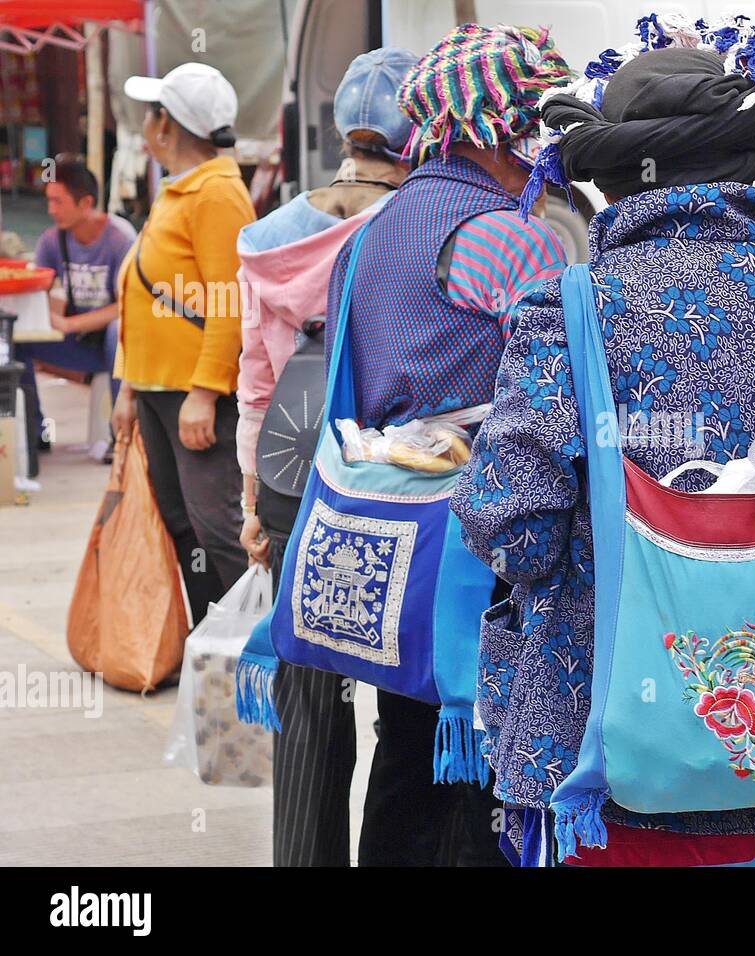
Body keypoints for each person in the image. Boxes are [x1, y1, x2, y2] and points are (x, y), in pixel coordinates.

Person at [452, 15, 755, 867]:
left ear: (612, 182)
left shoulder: (563, 322)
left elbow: (515, 530)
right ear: (747, 164)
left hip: (609, 775)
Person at [323, 24, 570, 866]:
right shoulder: (510, 238)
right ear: (503, 128)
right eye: (538, 125)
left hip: (385, 538)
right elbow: (557, 394)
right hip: (478, 548)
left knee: (403, 745)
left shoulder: (366, 237)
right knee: (483, 767)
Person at [235, 47, 416, 868]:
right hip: (386, 485)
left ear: (345, 128)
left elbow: (253, 379)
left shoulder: (268, 235)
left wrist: (249, 502)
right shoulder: (412, 227)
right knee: (406, 700)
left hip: (289, 481)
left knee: (307, 706)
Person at [111, 62, 253, 626]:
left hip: (192, 396)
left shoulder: (216, 193)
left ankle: (246, 650)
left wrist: (206, 390)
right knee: (181, 522)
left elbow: (228, 301)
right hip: (156, 388)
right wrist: (128, 386)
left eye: (150, 115)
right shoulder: (180, 189)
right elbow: (145, 295)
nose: (146, 127)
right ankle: (208, 644)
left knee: (216, 528)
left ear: (165, 125)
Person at [17, 159, 135, 467]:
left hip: (118, 345)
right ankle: (33, 430)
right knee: (16, 340)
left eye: (58, 201)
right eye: (49, 201)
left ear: (86, 202)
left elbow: (130, 305)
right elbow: (36, 290)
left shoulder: (121, 239)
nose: (51, 209)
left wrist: (70, 323)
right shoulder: (52, 240)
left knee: (116, 330)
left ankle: (118, 434)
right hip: (78, 344)